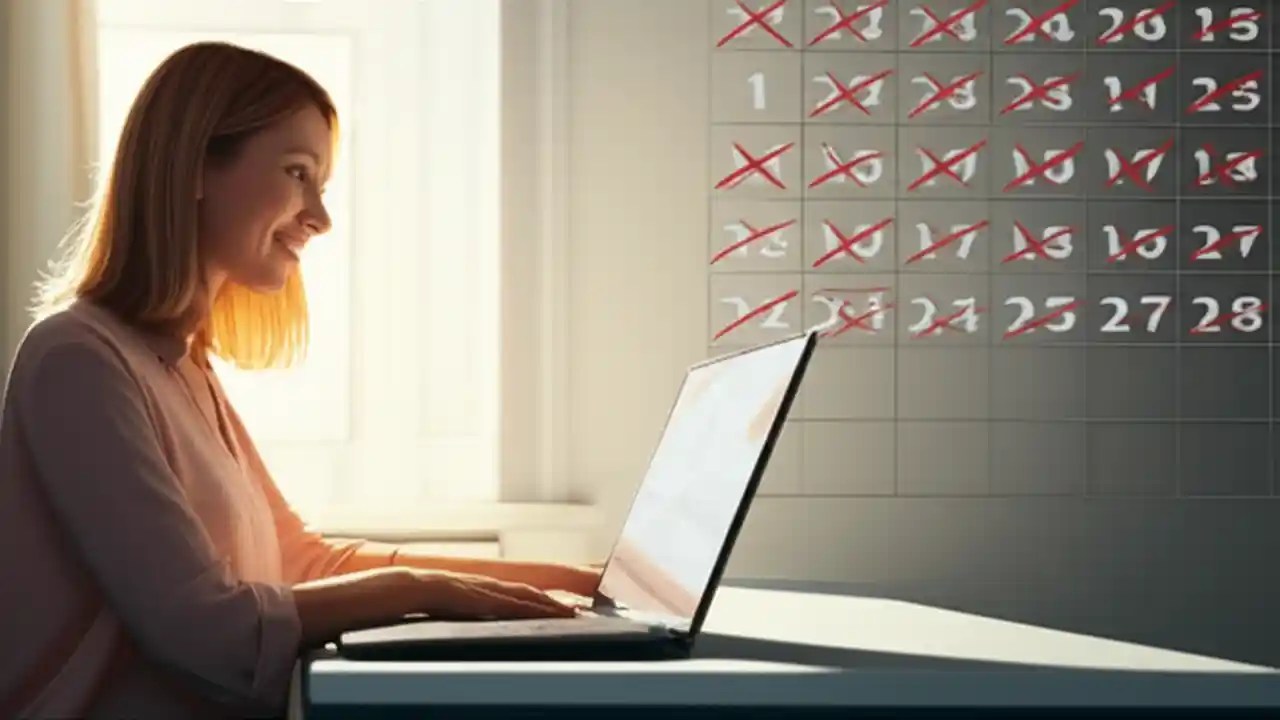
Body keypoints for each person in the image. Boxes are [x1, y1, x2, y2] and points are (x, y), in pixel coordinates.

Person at [0, 41, 598, 719]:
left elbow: (303, 562)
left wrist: (579, 583)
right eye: (297, 173)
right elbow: (207, 631)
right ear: (195, 165)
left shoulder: (181, 364)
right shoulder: (78, 361)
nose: (319, 216)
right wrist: (419, 588)